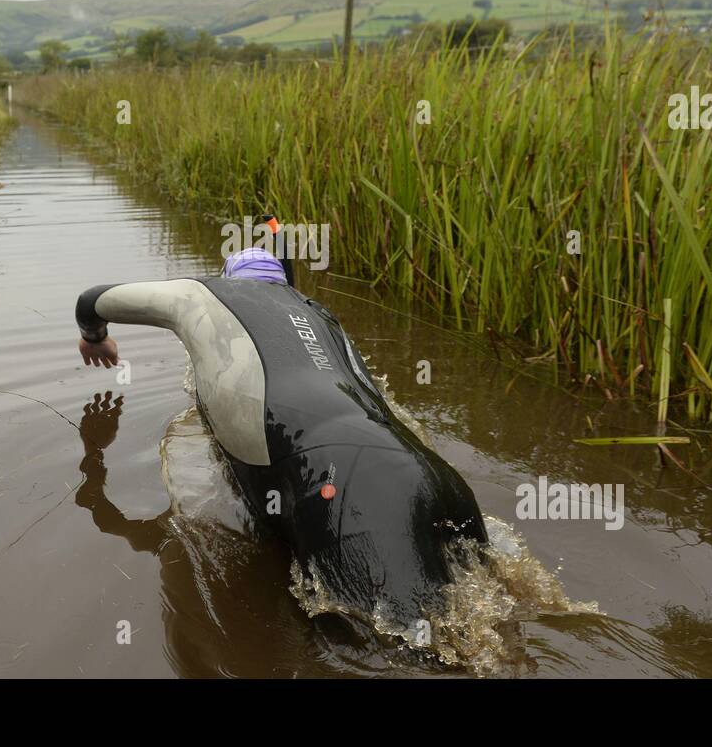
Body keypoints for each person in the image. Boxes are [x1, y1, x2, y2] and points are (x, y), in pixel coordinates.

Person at [75, 226, 489, 624]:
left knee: (395, 655)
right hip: (432, 474)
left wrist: (94, 337)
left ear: (229, 277)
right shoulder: (322, 316)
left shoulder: (200, 295)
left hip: (345, 492)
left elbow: (90, 299)